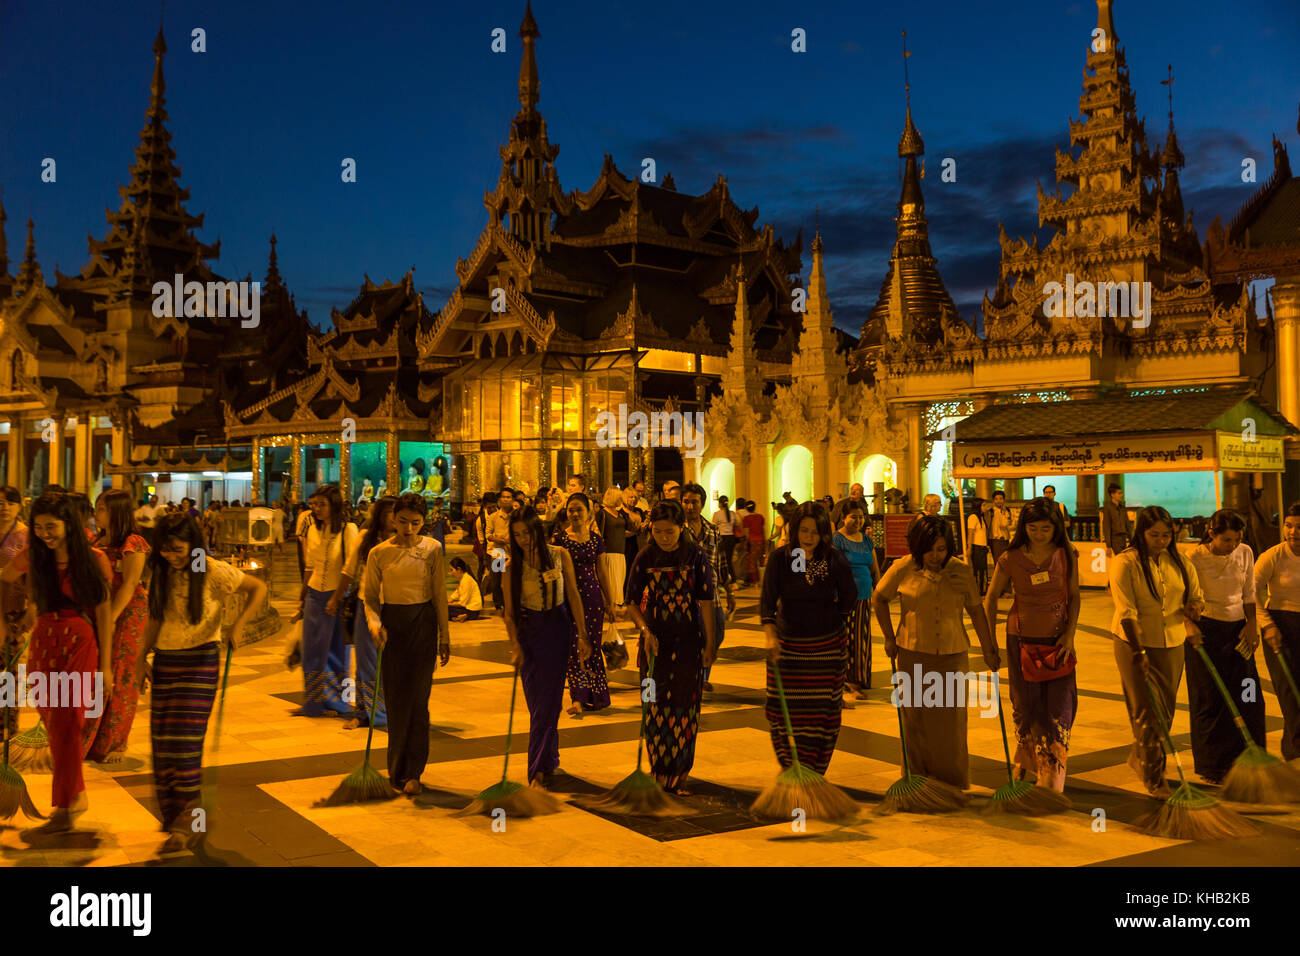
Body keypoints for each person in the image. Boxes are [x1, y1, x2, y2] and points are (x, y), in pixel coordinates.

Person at [138, 513, 266, 850]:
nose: (172, 556)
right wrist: (140, 659)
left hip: (200, 662)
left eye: (178, 549)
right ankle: (175, 819)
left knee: (185, 745)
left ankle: (191, 821)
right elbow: (154, 617)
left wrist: (237, 625)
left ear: (193, 545)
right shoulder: (162, 571)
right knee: (163, 745)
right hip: (166, 660)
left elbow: (257, 588)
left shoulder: (209, 569)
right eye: (165, 550)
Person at [0, 492, 112, 832]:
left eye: (52, 527)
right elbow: (3, 576)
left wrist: (106, 667)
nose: (45, 534)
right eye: (39, 527)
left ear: (70, 525)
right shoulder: (33, 556)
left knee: (67, 723)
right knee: (53, 722)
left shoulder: (92, 559)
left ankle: (65, 804)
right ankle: (75, 795)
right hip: (44, 640)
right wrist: (6, 621)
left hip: (80, 640)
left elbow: (104, 613)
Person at [872, 515, 998, 790]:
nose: (935, 556)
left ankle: (951, 783)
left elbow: (976, 610)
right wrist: (889, 637)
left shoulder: (960, 570)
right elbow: (879, 598)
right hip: (913, 652)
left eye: (941, 549)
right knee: (915, 719)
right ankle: (916, 782)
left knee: (950, 721)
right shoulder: (903, 567)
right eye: (929, 549)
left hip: (952, 654)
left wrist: (989, 649)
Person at [984, 497, 1080, 792]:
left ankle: (1052, 768)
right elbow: (989, 601)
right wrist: (989, 645)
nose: (1039, 534)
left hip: (1057, 641)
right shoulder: (1010, 558)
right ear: (1023, 528)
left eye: (1046, 529)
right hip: (1020, 638)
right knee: (1025, 704)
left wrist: (1070, 634)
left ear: (1056, 529)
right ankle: (1025, 757)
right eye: (1033, 528)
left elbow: (1074, 596)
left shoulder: (1066, 554)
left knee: (1059, 705)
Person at [1110, 505, 1204, 797]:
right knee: (1146, 712)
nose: (1161, 541)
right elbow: (1126, 612)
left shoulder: (1180, 562)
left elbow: (1196, 598)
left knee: (1165, 710)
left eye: (1166, 535)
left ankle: (1141, 754)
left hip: (1172, 643)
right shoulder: (1126, 563)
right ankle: (1154, 775)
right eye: (1154, 535)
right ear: (1142, 532)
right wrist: (1138, 652)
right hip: (1134, 644)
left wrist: (1194, 610)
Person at [360, 493, 451, 795]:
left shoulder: (433, 549)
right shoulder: (379, 553)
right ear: (393, 519)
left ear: (424, 523)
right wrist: (375, 624)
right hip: (393, 626)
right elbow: (370, 598)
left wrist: (445, 635)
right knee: (397, 702)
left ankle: (414, 772)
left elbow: (439, 593)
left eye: (415, 523)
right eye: (402, 522)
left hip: (423, 625)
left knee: (418, 702)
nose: (409, 529)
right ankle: (396, 770)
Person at [624, 500, 716, 794]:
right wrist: (644, 629)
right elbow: (631, 602)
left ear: (681, 528)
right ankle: (657, 769)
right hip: (653, 647)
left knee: (685, 708)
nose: (664, 537)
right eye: (658, 531)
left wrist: (710, 644)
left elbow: (705, 602)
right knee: (653, 705)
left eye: (670, 532)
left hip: (689, 643)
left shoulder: (695, 556)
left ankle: (679, 772)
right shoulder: (645, 556)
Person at [761, 502, 857, 774]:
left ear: (824, 532)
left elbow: (849, 595)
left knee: (821, 715)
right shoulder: (781, 559)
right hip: (788, 648)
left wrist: (834, 617)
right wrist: (771, 634)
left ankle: (814, 771)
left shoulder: (834, 559)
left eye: (815, 532)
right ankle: (790, 768)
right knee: (783, 711)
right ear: (794, 530)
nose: (808, 537)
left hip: (826, 650)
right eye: (803, 530)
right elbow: (767, 602)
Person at [502, 507, 591, 787]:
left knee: (549, 702)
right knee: (536, 701)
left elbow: (573, 595)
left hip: (557, 628)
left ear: (537, 531)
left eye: (526, 533)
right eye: (516, 535)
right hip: (529, 631)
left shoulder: (559, 554)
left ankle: (537, 768)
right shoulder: (509, 565)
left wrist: (583, 635)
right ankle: (549, 757)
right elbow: (508, 611)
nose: (522, 539)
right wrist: (514, 643)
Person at [1187, 509, 1265, 783]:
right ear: (1211, 534)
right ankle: (1213, 766)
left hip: (1239, 630)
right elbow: (1185, 598)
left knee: (1248, 693)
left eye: (1236, 540)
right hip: (1207, 630)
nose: (1232, 546)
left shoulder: (1245, 552)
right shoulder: (1194, 558)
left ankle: (1249, 757)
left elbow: (1249, 592)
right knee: (1211, 698)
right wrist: (1190, 627)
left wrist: (1252, 624)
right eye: (1226, 541)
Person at [86, 490, 150, 764]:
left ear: (117, 512)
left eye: (102, 508)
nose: (96, 513)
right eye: (96, 507)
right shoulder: (96, 540)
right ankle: (91, 736)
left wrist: (110, 618)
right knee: (97, 673)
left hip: (126, 614)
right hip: (99, 610)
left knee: (122, 676)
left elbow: (130, 584)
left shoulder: (133, 543)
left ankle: (115, 742)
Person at [331, 495, 398, 730]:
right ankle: (368, 712)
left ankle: (384, 709)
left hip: (394, 606)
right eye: (390, 513)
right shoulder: (365, 538)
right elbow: (349, 570)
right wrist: (336, 598)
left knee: (390, 663)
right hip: (366, 604)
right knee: (366, 663)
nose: (394, 518)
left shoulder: (405, 541)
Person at [296, 485, 358, 718]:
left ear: (334, 505)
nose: (316, 509)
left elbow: (349, 569)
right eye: (314, 504)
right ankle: (312, 703)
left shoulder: (348, 530)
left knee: (339, 654)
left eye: (322, 504)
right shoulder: (312, 530)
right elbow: (309, 566)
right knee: (311, 653)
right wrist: (301, 599)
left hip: (338, 597)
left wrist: (336, 598)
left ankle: (344, 703)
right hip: (315, 595)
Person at [551, 492, 614, 715]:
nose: (575, 513)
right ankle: (577, 697)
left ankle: (596, 695)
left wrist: (610, 600)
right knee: (574, 646)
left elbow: (602, 571)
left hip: (593, 598)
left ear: (589, 512)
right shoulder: (559, 539)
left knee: (593, 646)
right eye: (571, 509)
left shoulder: (596, 539)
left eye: (579, 509)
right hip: (567, 599)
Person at [1255, 502, 1300, 761]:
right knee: (1289, 692)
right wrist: (1268, 624)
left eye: (1298, 527)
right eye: (1289, 525)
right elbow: (1251, 591)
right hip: (1281, 627)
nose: (1293, 532)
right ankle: (1294, 755)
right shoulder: (1273, 556)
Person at [681, 483, 734, 692]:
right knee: (691, 637)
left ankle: (703, 674)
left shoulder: (712, 530)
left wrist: (729, 591)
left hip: (712, 595)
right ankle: (695, 677)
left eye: (694, 502)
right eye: (686, 502)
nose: (690, 506)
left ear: (702, 503)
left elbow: (721, 562)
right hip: (687, 595)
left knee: (717, 633)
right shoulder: (678, 531)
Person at [833, 500, 878, 696]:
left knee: (863, 638)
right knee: (849, 639)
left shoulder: (866, 540)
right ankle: (849, 681)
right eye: (853, 517)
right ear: (843, 518)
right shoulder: (837, 540)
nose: (858, 521)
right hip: (845, 598)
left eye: (861, 517)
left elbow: (874, 567)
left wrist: (878, 588)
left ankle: (860, 678)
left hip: (865, 597)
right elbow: (833, 569)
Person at [0, 485, 29, 739]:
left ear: (19, 506)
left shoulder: (26, 536)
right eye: (0, 502)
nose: (4, 507)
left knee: (11, 673)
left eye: (10, 502)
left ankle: (9, 730)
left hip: (13, 612)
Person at [595, 487, 630, 628]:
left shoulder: (619, 513)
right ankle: (611, 611)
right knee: (611, 582)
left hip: (620, 552)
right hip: (609, 552)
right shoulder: (603, 513)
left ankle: (614, 610)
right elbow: (600, 533)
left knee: (618, 581)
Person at [484, 489, 515, 613]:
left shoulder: (517, 515)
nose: (506, 499)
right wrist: (497, 539)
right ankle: (499, 605)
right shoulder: (493, 517)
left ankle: (510, 604)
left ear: (512, 499)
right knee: (496, 580)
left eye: (508, 497)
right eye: (504, 497)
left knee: (511, 580)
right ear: (500, 500)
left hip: (512, 552)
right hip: (498, 551)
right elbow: (488, 534)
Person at [966, 496, 989, 595]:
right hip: (976, 547)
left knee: (983, 569)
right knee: (977, 570)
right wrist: (969, 547)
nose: (985, 507)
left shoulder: (981, 517)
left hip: (982, 547)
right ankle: (978, 591)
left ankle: (982, 590)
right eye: (983, 505)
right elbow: (970, 533)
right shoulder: (973, 517)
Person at [448, 557, 483, 621]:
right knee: (442, 609)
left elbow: (462, 603)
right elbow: (456, 594)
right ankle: (461, 616)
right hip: (468, 609)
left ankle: (466, 615)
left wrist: (447, 604)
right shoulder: (463, 579)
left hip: (472, 611)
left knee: (444, 611)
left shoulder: (466, 580)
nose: (450, 573)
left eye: (452, 570)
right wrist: (446, 602)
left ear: (459, 569)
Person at [1101, 483, 1132, 556]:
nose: (1121, 495)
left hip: (1123, 539)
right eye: (1119, 493)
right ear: (1112, 494)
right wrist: (1108, 546)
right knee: (1121, 558)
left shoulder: (1122, 508)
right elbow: (1106, 527)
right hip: (1115, 539)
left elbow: (1127, 524)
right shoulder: (1108, 508)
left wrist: (1132, 540)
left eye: (1121, 493)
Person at [741, 499, 766, 585]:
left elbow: (746, 532)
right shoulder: (760, 517)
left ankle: (755, 582)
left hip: (752, 541)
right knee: (761, 561)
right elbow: (763, 530)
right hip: (761, 540)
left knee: (752, 562)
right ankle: (763, 580)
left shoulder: (746, 518)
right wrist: (764, 541)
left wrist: (746, 543)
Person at [713, 495, 737, 572]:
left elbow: (714, 526)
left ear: (720, 503)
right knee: (729, 560)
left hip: (721, 538)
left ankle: (723, 578)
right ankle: (732, 578)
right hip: (731, 538)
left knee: (721, 560)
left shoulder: (717, 514)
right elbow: (736, 524)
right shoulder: (733, 513)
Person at [988, 490, 1012, 565]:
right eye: (996, 499)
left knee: (1006, 560)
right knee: (998, 561)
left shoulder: (1006, 510)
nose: (999, 501)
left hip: (1005, 539)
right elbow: (1003, 524)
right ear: (993, 500)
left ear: (1004, 500)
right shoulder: (992, 511)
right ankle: (998, 576)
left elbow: (1010, 523)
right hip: (996, 539)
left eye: (1001, 498)